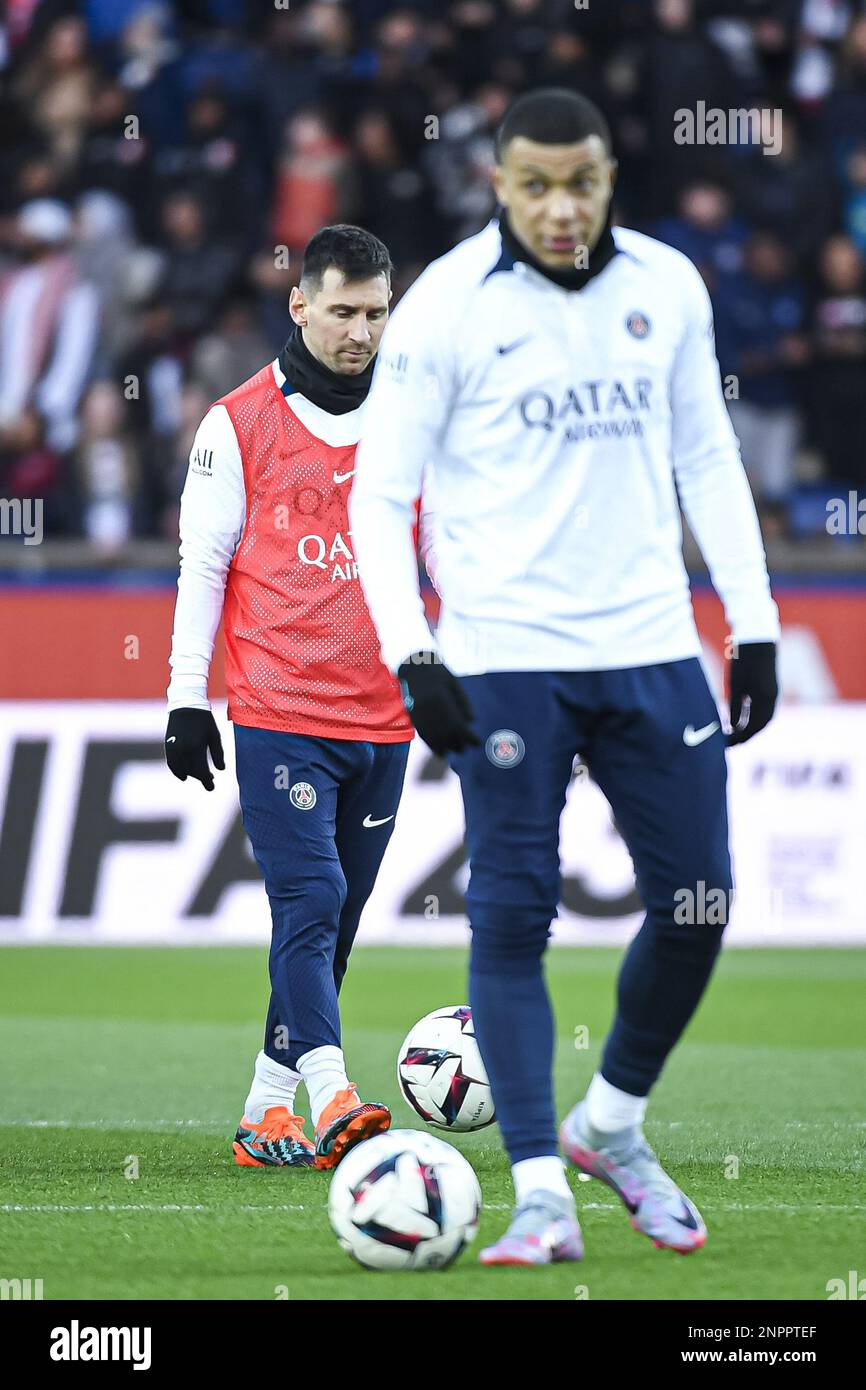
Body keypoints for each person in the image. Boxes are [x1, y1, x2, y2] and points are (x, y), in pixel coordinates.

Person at [350, 89, 780, 1265]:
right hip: (503, 658)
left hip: (648, 645)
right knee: (511, 919)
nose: (557, 206)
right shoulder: (442, 307)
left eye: (578, 182)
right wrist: (412, 649)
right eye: (532, 184)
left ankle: (612, 1125)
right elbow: (377, 497)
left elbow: (706, 455)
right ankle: (539, 1189)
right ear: (496, 183)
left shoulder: (665, 286)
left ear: (606, 179)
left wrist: (752, 623)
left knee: (698, 903)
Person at [165, 225, 412, 1170]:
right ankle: (334, 1096)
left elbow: (440, 552)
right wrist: (188, 699)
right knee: (311, 898)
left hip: (385, 715)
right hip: (279, 712)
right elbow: (204, 564)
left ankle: (267, 1112)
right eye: (343, 311)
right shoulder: (236, 424)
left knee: (335, 927)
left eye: (376, 313)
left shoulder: (407, 416)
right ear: (299, 303)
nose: (360, 331)